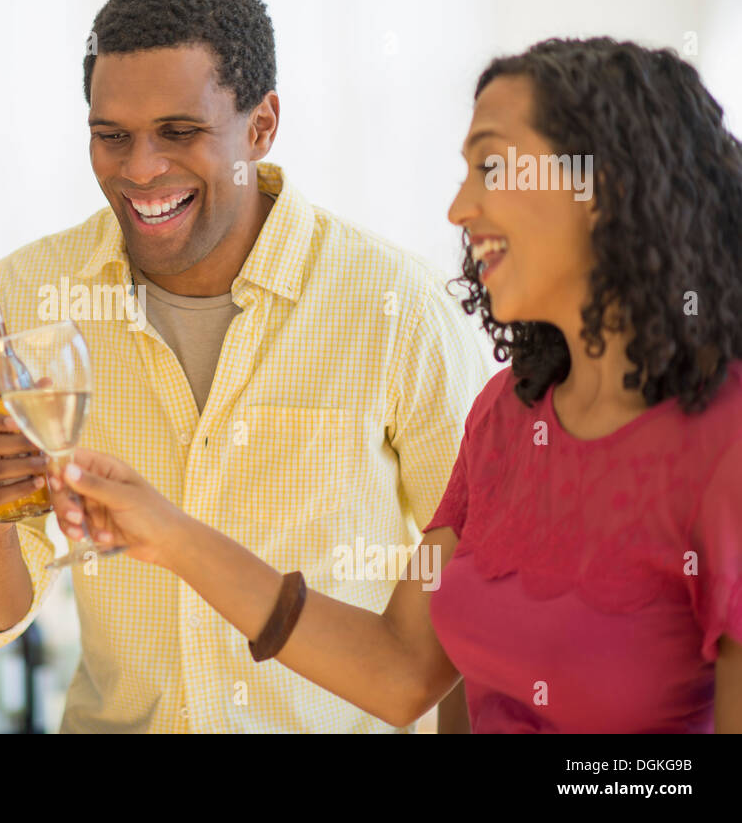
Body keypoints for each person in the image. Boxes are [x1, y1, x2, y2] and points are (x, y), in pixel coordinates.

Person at [47, 37, 742, 733]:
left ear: (605, 185)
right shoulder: (507, 416)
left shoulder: (726, 446)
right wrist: (168, 533)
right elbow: (403, 668)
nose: (460, 208)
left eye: (492, 167)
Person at [0, 0, 489, 732]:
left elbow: (477, 600)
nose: (141, 169)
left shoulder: (396, 306)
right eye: (110, 136)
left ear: (261, 126)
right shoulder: (19, 304)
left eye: (179, 133)